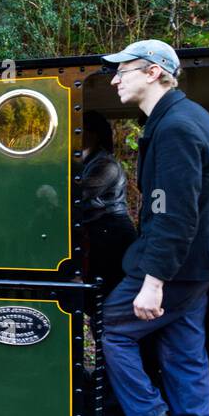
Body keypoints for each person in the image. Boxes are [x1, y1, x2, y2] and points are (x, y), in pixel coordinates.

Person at [100, 39, 209, 416]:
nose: (115, 80)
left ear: (153, 71)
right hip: (197, 266)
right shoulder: (186, 117)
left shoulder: (176, 127)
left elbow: (177, 214)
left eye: (123, 71)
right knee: (184, 350)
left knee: (114, 329)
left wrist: (153, 281)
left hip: (178, 266)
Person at [81, 111, 136, 296]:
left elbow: (82, 193)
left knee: (108, 284)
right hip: (99, 229)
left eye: (82, 129)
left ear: (94, 134)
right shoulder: (85, 161)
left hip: (111, 230)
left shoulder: (106, 164)